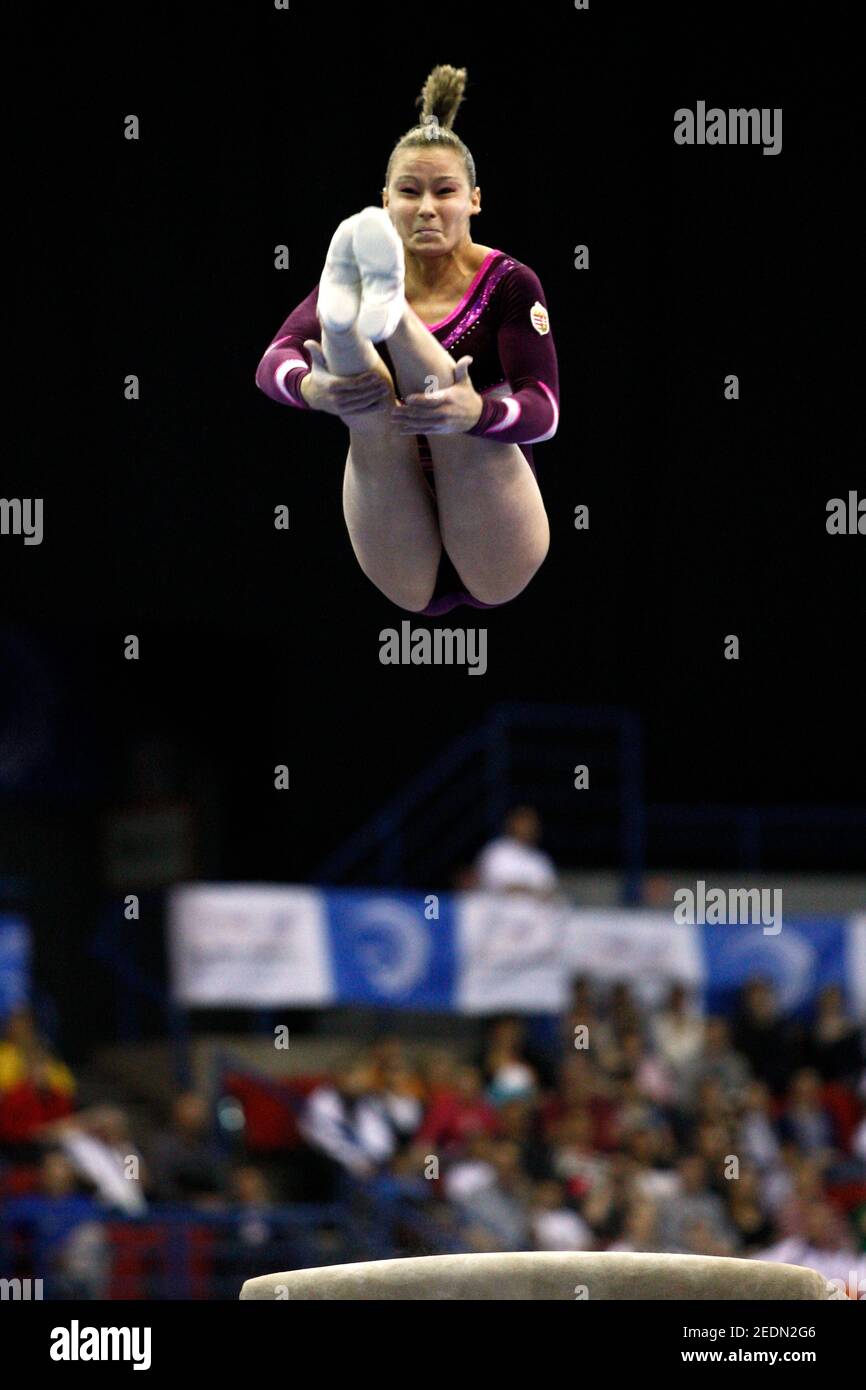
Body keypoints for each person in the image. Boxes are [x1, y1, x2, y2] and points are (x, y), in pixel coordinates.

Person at [255, 65, 559, 616]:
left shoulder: (511, 282)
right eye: (409, 192)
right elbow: (272, 362)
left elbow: (546, 410)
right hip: (397, 526)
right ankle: (358, 324)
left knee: (446, 406)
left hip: (497, 526)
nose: (425, 208)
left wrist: (480, 414)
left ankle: (390, 313)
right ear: (386, 200)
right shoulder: (345, 286)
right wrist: (311, 390)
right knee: (365, 404)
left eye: (445, 192)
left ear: (474, 200)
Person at [475, 805, 558, 898]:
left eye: (532, 823)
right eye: (523, 822)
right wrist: (528, 890)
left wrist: (524, 889)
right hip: (500, 909)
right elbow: (497, 885)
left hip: (535, 910)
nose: (528, 828)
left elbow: (548, 891)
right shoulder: (496, 851)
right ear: (512, 823)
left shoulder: (541, 859)